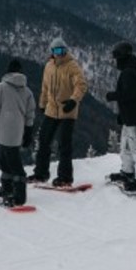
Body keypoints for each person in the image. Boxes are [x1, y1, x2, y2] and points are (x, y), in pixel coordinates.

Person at [30, 37, 88, 187]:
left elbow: (81, 85)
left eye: (61, 50)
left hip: (67, 111)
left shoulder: (72, 66)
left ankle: (65, 177)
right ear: (52, 52)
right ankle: (41, 173)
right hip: (51, 110)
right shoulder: (49, 66)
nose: (59, 54)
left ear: (65, 50)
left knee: (64, 144)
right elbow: (45, 87)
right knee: (44, 141)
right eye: (56, 51)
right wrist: (42, 104)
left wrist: (73, 100)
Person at [0, 59, 35, 207]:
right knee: (11, 159)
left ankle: (19, 196)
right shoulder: (27, 92)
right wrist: (28, 131)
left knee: (9, 162)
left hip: (2, 131)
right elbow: (30, 114)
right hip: (17, 133)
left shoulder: (0, 88)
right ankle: (9, 189)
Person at [105, 42, 136, 191]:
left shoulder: (129, 72)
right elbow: (133, 97)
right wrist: (122, 116)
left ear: (122, 57)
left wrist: (112, 96)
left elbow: (129, 95)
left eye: (117, 57)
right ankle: (128, 171)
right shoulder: (131, 71)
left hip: (135, 119)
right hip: (130, 117)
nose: (116, 61)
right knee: (126, 147)